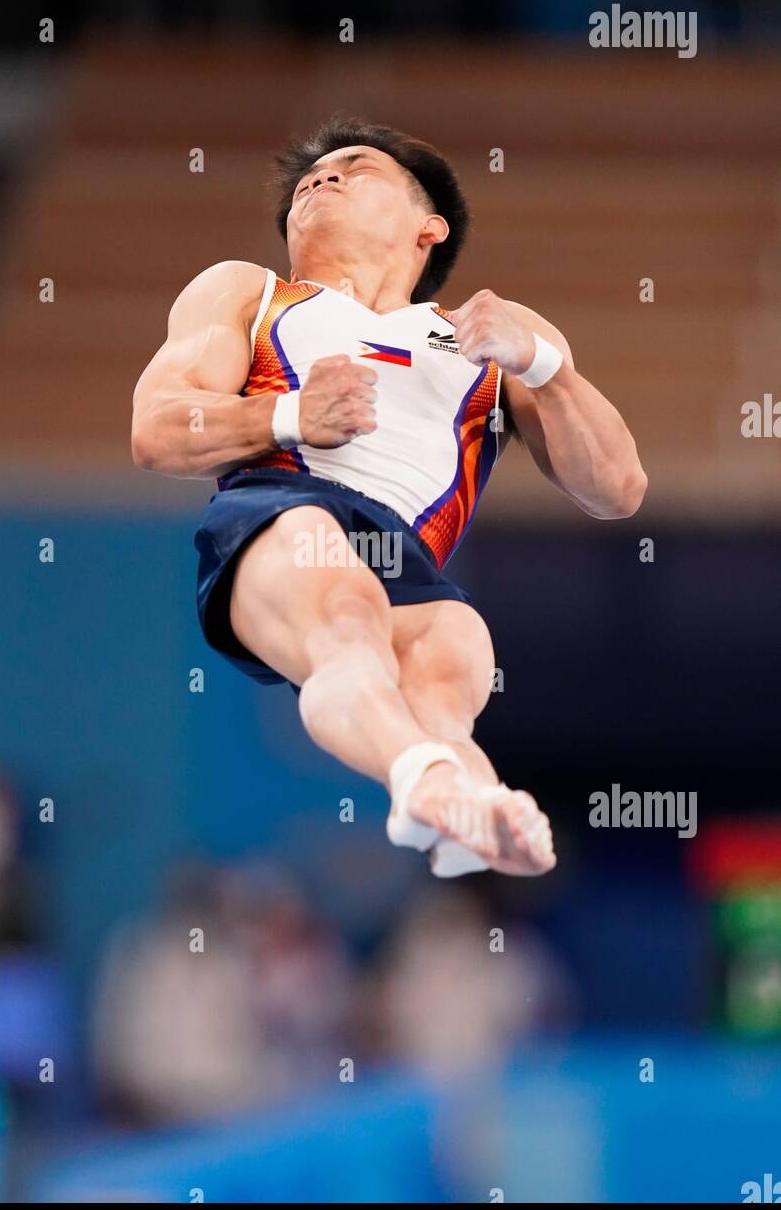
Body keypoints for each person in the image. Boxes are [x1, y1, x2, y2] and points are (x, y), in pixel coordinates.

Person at [131, 118, 646, 878]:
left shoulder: (486, 333)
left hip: (403, 552)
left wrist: (545, 368)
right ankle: (423, 784)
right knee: (345, 616)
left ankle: (471, 812)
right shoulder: (250, 292)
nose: (319, 178)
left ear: (428, 224)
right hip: (278, 509)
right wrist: (288, 415)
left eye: (353, 167)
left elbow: (617, 488)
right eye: (308, 179)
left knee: (453, 659)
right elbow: (157, 429)